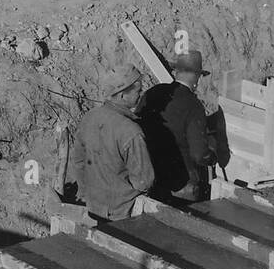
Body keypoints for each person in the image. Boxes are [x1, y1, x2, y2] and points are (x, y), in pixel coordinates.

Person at [63, 64, 155, 221]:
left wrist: (88, 190)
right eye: (137, 91)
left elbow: (78, 161)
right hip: (121, 211)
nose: (140, 95)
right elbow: (144, 181)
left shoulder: (89, 117)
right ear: (122, 96)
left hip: (93, 205)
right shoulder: (131, 131)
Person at [140, 51, 213, 204]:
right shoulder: (193, 105)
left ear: (177, 72)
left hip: (151, 176)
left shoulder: (154, 92)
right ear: (196, 77)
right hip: (181, 183)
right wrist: (212, 156)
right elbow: (199, 154)